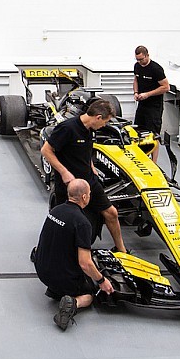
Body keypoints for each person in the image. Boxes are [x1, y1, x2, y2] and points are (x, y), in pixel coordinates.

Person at [40, 99, 128, 253]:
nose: (105, 126)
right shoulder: (67, 128)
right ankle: (62, 252)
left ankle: (122, 250)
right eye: (105, 122)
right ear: (98, 117)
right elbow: (46, 150)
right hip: (70, 185)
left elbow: (85, 150)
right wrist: (64, 172)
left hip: (89, 181)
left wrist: (91, 166)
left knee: (111, 213)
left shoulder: (90, 129)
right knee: (67, 222)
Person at [33, 179, 115, 331]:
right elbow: (85, 263)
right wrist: (102, 281)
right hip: (62, 278)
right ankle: (73, 302)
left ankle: (56, 290)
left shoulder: (55, 211)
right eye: (89, 193)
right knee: (91, 293)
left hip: (42, 270)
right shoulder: (82, 223)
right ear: (84, 197)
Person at [133, 45, 170, 163]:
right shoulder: (137, 66)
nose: (140, 62)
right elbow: (136, 80)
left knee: (153, 135)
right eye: (137, 60)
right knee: (137, 132)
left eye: (142, 59)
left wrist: (148, 94)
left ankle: (153, 163)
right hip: (142, 105)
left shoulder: (156, 69)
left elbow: (166, 87)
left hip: (154, 107)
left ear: (147, 55)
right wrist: (136, 92)